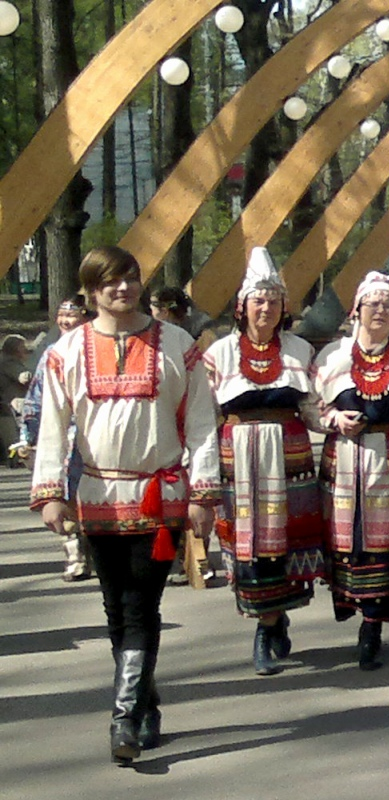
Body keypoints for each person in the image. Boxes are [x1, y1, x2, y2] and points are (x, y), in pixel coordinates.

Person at [31, 245, 220, 764]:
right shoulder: (66, 352)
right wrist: (49, 491)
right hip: (96, 497)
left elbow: (203, 423)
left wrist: (204, 491)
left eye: (131, 278)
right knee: (116, 609)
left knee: (141, 607)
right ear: (92, 290)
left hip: (159, 499)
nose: (123, 288)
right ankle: (145, 699)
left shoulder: (176, 344)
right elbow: (53, 427)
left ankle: (123, 718)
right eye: (111, 281)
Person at [202, 248, 326, 676]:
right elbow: (208, 414)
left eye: (273, 301)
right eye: (259, 300)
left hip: (289, 455)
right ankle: (262, 625)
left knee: (285, 544)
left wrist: (339, 423)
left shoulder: (299, 349)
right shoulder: (218, 354)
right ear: (242, 306)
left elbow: (312, 407)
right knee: (249, 545)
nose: (266, 308)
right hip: (238, 456)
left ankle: (276, 618)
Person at [313, 271, 389, 671]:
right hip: (342, 460)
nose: (380, 310)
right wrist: (334, 419)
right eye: (372, 304)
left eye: (388, 304)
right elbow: (312, 406)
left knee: (382, 541)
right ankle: (353, 610)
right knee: (346, 541)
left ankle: (373, 626)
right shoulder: (331, 357)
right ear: (355, 310)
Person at [20, 295, 93, 581]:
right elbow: (37, 396)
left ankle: (100, 550)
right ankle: (76, 556)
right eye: (61, 315)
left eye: (72, 315)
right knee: (65, 494)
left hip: (95, 436)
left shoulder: (99, 348)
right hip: (64, 437)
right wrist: (29, 433)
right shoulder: (53, 352)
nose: (65, 321)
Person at [0, 334, 32, 463]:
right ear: (15, 349)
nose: (25, 350)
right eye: (22, 347)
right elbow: (23, 377)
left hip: (8, 406)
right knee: (15, 439)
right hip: (13, 405)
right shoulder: (9, 362)